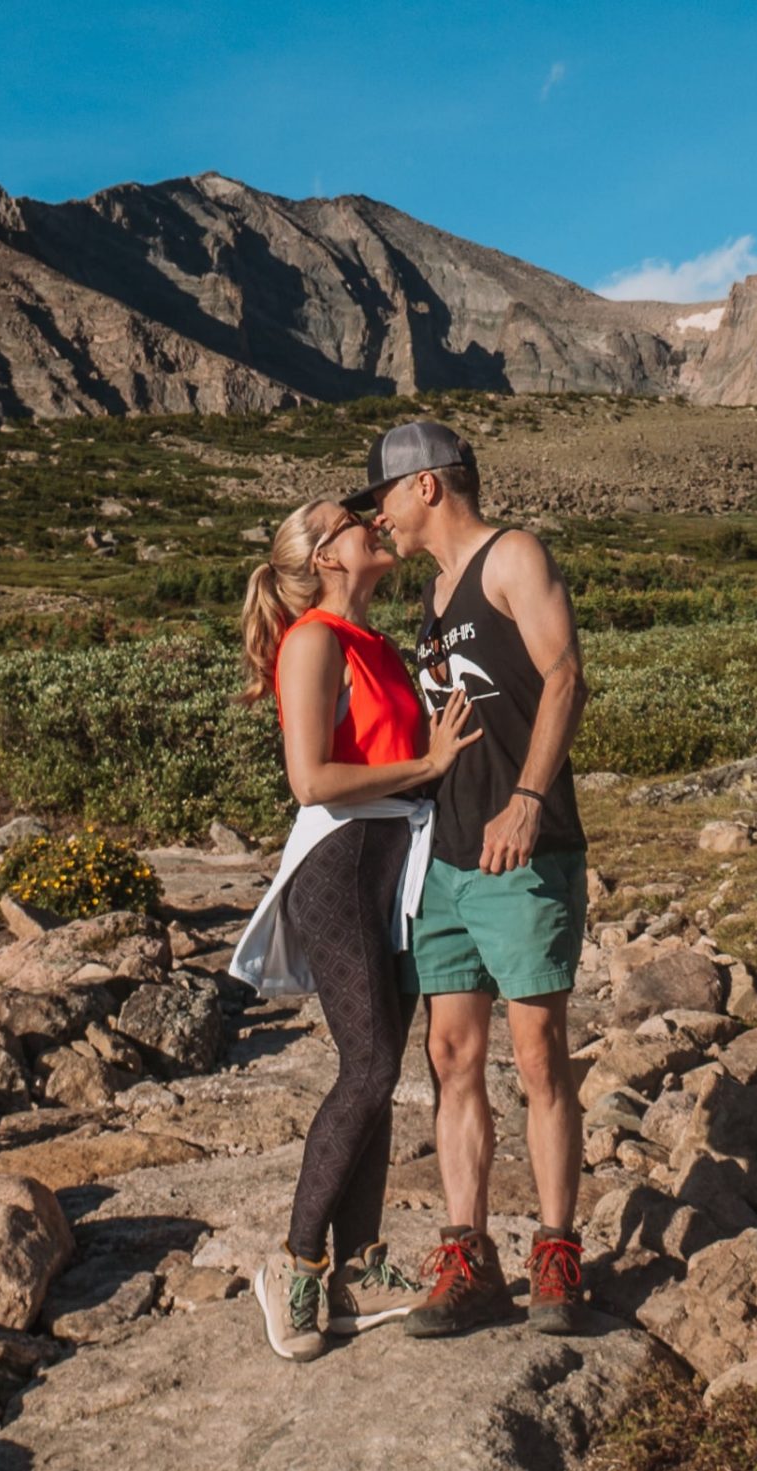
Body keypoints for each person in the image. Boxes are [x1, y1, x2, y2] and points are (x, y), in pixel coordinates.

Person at [343, 420, 592, 1336]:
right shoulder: (438, 591)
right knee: (450, 1056)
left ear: (428, 488)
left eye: (385, 498)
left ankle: (558, 1253)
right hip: (446, 858)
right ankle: (468, 1254)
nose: (381, 516)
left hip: (525, 847)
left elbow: (565, 675)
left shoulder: (511, 557)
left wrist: (529, 796)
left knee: (537, 1056)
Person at [231, 497, 480, 1362]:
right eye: (349, 519)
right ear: (324, 557)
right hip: (337, 871)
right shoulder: (314, 641)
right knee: (370, 1063)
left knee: (376, 1067)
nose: (373, 521)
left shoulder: (379, 642)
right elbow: (310, 778)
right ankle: (296, 1266)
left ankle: (359, 1265)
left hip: (387, 874)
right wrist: (427, 765)